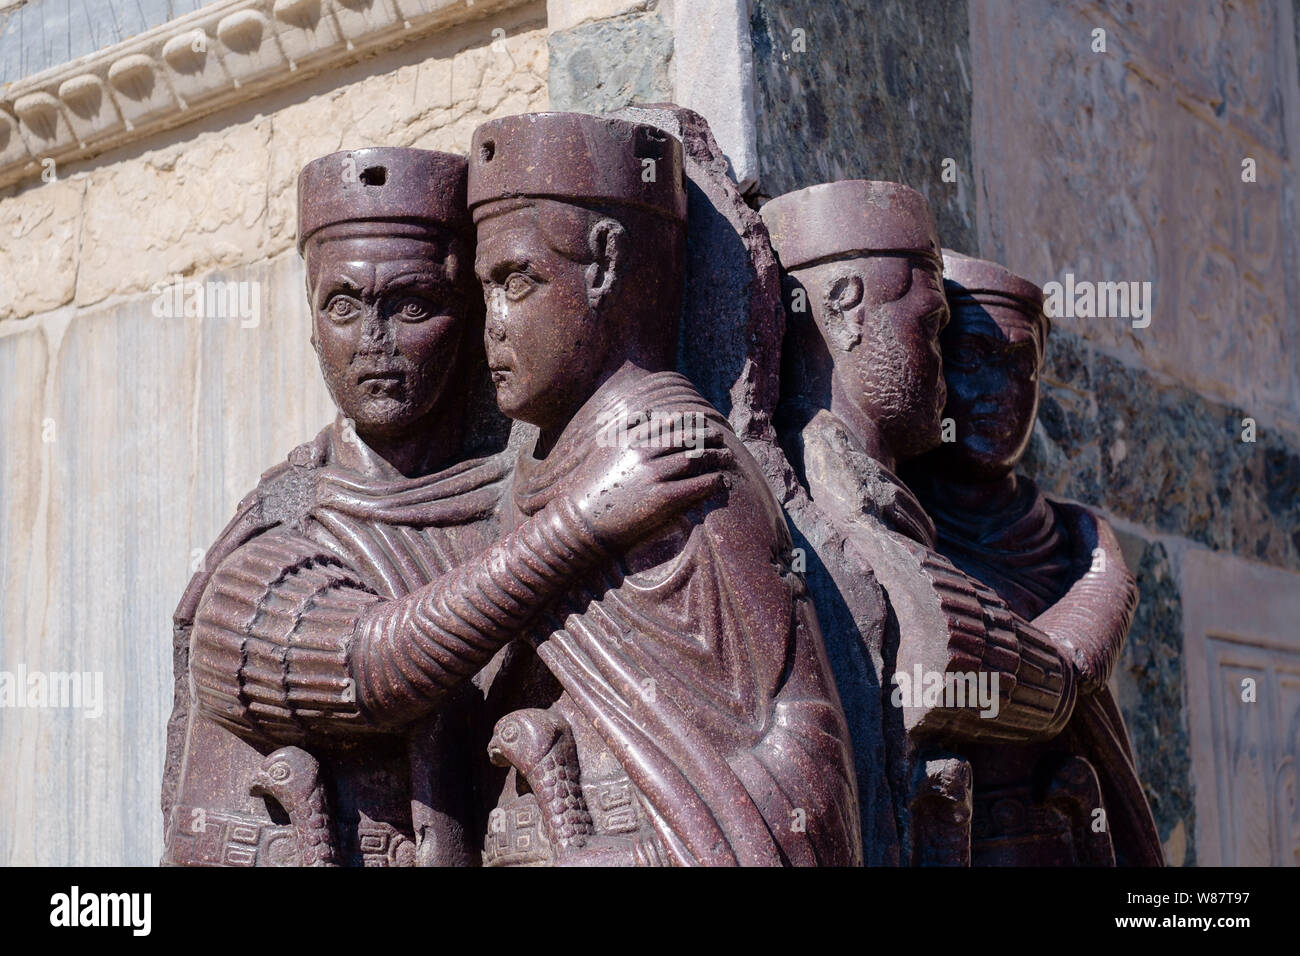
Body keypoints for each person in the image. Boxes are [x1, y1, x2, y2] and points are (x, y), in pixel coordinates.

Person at [466, 112, 861, 866]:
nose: (492, 324)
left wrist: (634, 859)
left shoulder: (679, 461)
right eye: (484, 290)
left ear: (605, 262)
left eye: (516, 282)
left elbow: (806, 750)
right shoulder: (537, 475)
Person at [762, 180, 1077, 865]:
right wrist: (1106, 575)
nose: (943, 369)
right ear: (845, 307)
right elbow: (952, 652)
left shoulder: (888, 492)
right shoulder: (825, 490)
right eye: (933, 329)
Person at [906, 250, 1163, 865]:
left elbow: (1064, 679)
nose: (998, 392)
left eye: (1021, 364)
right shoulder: (898, 529)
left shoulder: (1079, 540)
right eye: (971, 359)